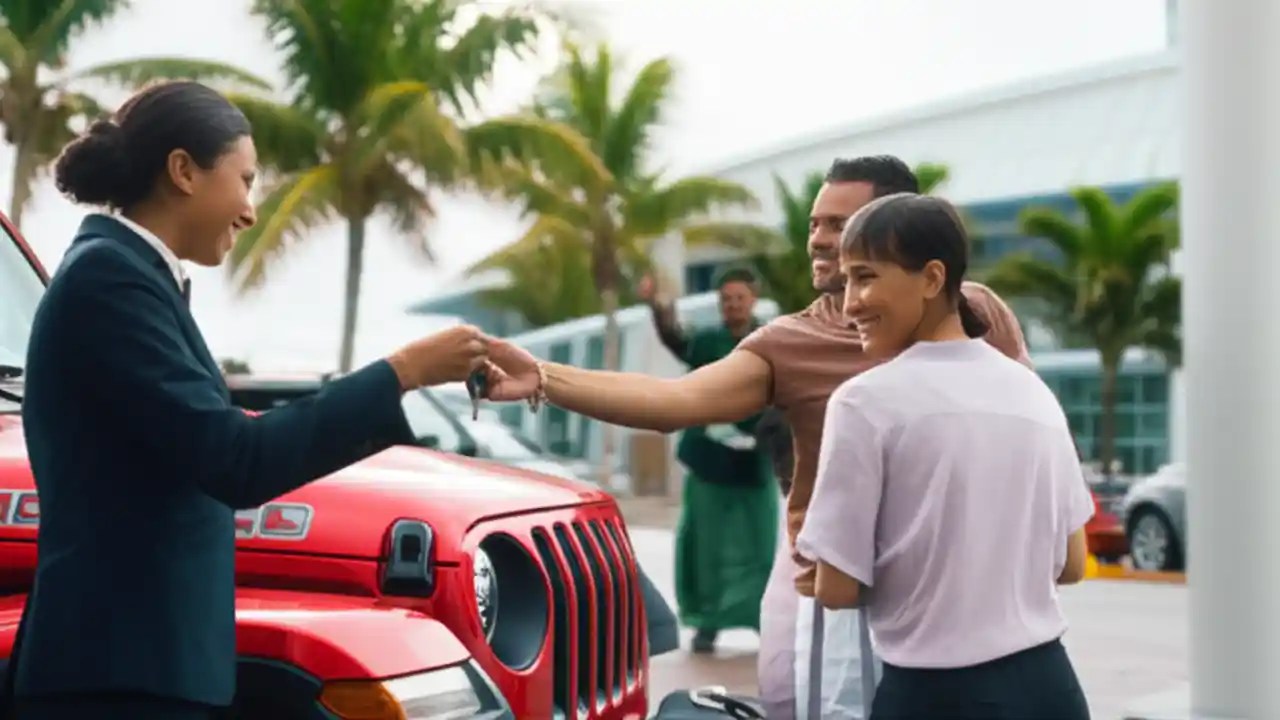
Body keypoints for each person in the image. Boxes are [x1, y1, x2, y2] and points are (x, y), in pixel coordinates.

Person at [478, 155, 1032, 719]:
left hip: (957, 596)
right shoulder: (794, 341)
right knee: (790, 698)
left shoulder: (977, 312)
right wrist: (544, 378)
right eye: (815, 223)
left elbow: (1029, 436)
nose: (818, 239)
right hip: (830, 593)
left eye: (839, 225)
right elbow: (676, 401)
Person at [8, 80, 488, 720]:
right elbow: (234, 459)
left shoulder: (127, 275)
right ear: (182, 171)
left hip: (136, 669)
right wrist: (403, 371)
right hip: (119, 679)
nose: (249, 210)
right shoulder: (109, 279)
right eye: (244, 179)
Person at [798, 192, 1092, 719]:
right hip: (1051, 691)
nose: (849, 305)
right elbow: (1071, 564)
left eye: (865, 278)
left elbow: (837, 588)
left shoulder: (865, 402)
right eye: (846, 283)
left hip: (936, 698)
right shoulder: (1033, 393)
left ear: (932, 279)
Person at [640, 267, 777, 653]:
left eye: (739, 298)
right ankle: (706, 623)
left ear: (753, 300)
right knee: (704, 545)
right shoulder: (706, 342)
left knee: (759, 546)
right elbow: (675, 339)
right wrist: (657, 306)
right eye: (726, 299)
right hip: (708, 461)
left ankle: (759, 618)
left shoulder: (773, 340)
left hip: (754, 463)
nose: (732, 305)